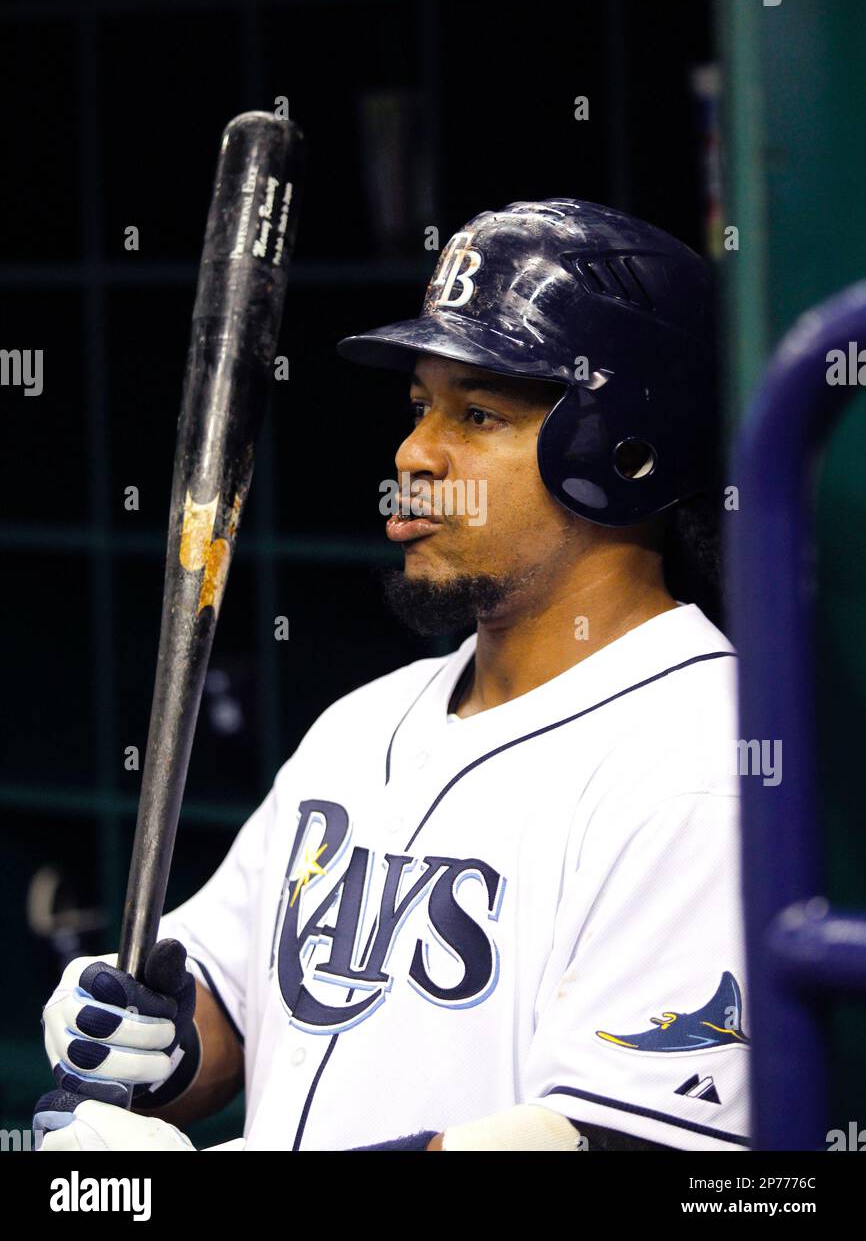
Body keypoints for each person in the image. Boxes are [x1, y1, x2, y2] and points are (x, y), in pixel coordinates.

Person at [37, 198, 749, 1153]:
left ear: (621, 449)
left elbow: (616, 1143)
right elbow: (228, 1008)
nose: (415, 453)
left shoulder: (703, 755)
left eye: (478, 412)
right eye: (421, 406)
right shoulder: (362, 726)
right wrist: (154, 1050)